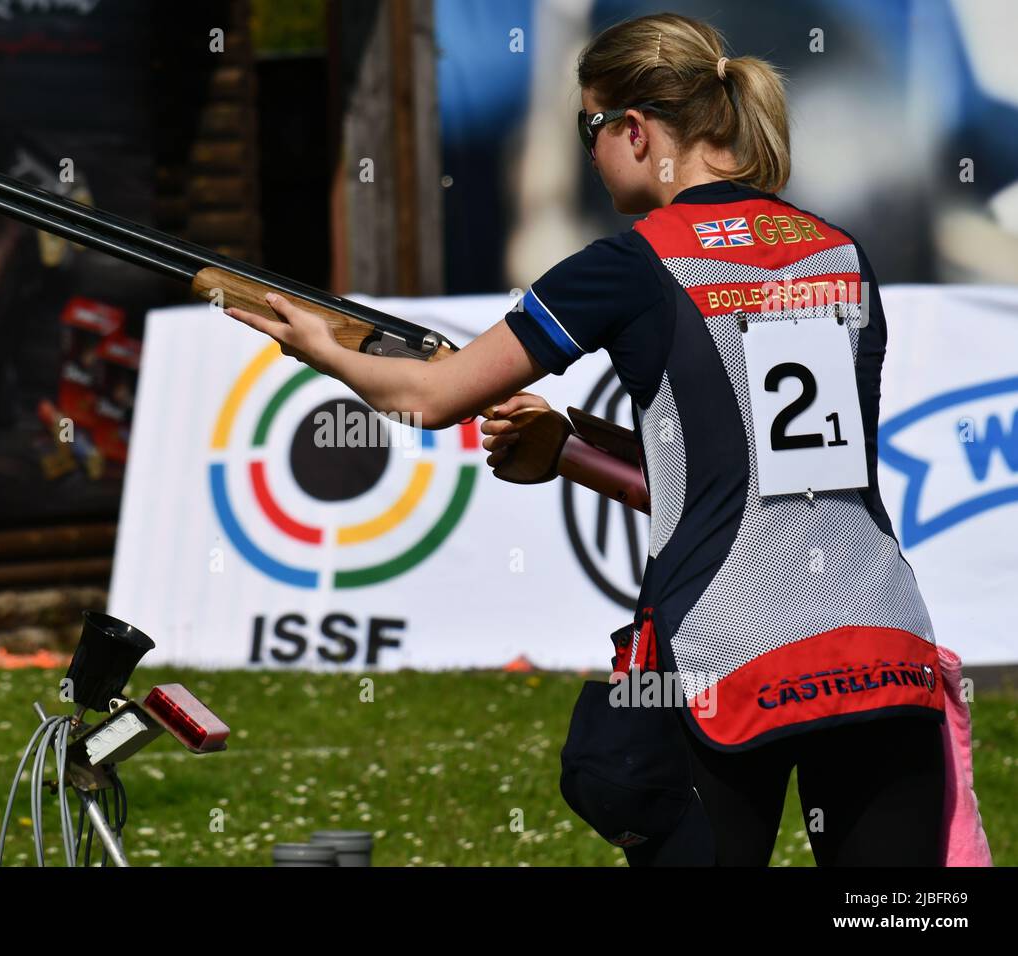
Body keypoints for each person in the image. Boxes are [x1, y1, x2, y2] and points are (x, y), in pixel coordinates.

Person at [225, 12, 946, 866]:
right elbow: (768, 473)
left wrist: (314, 345)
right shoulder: (837, 253)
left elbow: (428, 396)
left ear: (634, 131)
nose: (587, 153)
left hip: (728, 649)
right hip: (881, 642)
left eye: (588, 127)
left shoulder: (632, 262)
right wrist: (573, 448)